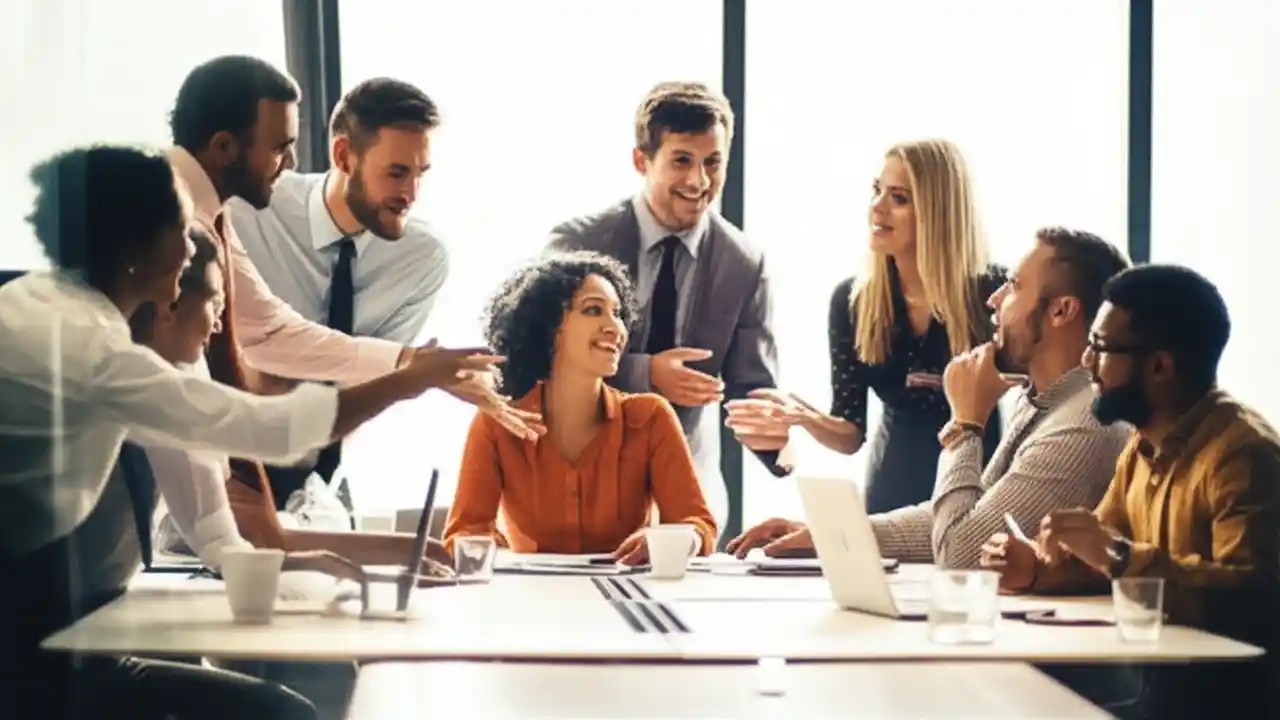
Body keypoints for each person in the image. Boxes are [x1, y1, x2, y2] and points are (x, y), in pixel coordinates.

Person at [0, 146, 493, 719]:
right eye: (179, 230)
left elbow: (216, 530)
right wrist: (409, 379)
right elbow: (274, 431)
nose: (191, 246)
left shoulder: (42, 303)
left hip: (61, 631)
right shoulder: (97, 353)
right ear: (135, 252)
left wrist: (318, 562)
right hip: (29, 648)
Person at [166, 55, 540, 437]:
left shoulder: (212, 216)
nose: (290, 163)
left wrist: (415, 364)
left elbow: (267, 330)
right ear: (224, 147)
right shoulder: (171, 216)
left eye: (419, 174)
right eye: (280, 148)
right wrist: (415, 373)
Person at [728, 228, 1132, 566]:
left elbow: (961, 552)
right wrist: (829, 535)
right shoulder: (1043, 402)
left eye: (1015, 286)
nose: (994, 299)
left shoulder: (1084, 423)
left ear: (1062, 311)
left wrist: (966, 424)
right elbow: (958, 524)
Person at [981, 264, 1280, 718]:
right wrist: (1037, 572)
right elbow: (1103, 565)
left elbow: (1253, 597)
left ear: (1160, 365)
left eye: (1100, 348)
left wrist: (1117, 555)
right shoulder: (1142, 446)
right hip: (1163, 695)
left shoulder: (1243, 454)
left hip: (1228, 705)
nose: (1086, 363)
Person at [132, 229, 452, 570]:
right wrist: (409, 379)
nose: (219, 328)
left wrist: (325, 565)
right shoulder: (129, 372)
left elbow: (219, 543)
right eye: (214, 303)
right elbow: (280, 429)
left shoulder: (173, 376)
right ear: (171, 304)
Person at [546, 81, 780, 531]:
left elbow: (752, 385)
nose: (699, 182)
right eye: (681, 161)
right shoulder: (577, 244)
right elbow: (539, 354)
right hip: (577, 478)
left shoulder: (745, 262)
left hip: (688, 492)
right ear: (641, 161)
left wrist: (780, 440)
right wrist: (646, 374)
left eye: (713, 163)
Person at [726, 139, 1005, 514]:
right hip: (890, 492)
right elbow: (850, 434)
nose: (877, 207)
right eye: (877, 191)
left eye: (899, 198)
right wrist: (804, 418)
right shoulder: (853, 302)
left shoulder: (992, 294)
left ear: (937, 211)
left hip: (978, 489)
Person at [228, 77, 449, 509]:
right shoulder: (249, 213)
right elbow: (231, 361)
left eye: (420, 174)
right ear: (344, 156)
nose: (410, 194)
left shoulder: (421, 261)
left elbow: (370, 381)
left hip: (322, 489)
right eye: (397, 173)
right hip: (226, 467)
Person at [443, 252, 717, 562]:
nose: (615, 327)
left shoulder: (651, 418)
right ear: (548, 327)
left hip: (627, 600)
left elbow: (697, 526)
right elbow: (464, 534)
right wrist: (504, 563)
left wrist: (673, 540)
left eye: (618, 313)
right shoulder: (498, 423)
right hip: (531, 602)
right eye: (593, 310)